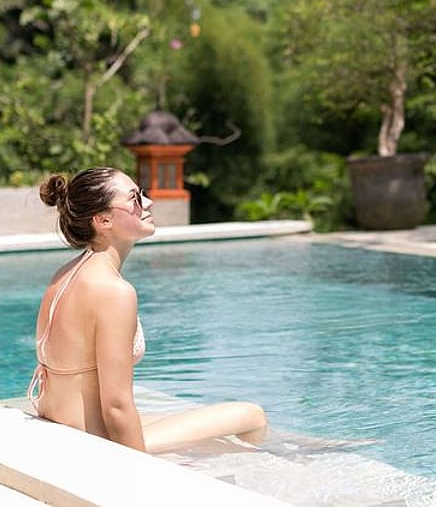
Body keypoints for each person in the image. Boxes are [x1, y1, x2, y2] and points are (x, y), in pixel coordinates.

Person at [27, 166, 268, 454]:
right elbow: (116, 407)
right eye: (134, 199)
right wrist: (143, 478)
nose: (148, 203)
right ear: (103, 220)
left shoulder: (65, 274)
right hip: (92, 442)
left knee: (194, 419)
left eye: (142, 194)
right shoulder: (114, 291)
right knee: (251, 417)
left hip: (61, 425)